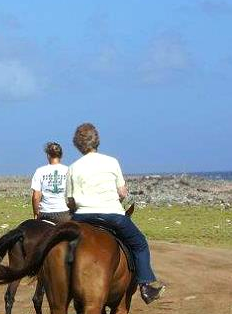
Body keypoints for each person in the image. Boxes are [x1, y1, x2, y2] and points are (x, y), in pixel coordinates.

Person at [65, 123, 164, 304]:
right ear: (97, 140)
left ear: (77, 144)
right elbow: (122, 192)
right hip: (113, 216)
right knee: (140, 244)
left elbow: (69, 201)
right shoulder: (112, 162)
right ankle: (145, 285)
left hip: (82, 218)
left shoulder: (73, 167)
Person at [31, 142, 71, 224]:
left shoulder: (40, 171)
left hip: (45, 213)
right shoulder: (68, 170)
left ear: (48, 155)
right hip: (64, 213)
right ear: (61, 155)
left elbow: (36, 196)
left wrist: (36, 213)